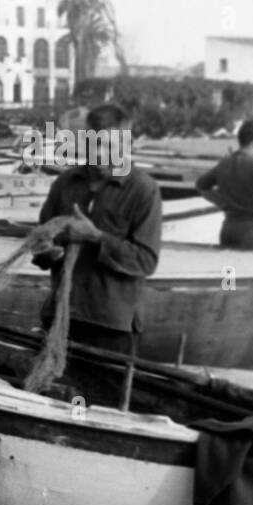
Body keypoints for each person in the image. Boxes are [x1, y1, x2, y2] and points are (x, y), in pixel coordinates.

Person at [32, 103, 162, 353]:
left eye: (110, 146)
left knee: (101, 392)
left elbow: (145, 261)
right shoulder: (65, 183)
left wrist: (96, 237)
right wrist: (46, 252)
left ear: (127, 144)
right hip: (60, 315)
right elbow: (40, 244)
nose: (100, 154)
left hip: (110, 326)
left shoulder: (144, 190)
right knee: (50, 388)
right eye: (94, 144)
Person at [194, 119, 253, 250]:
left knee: (231, 269)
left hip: (228, 229)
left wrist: (221, 201)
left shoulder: (224, 163)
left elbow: (200, 186)